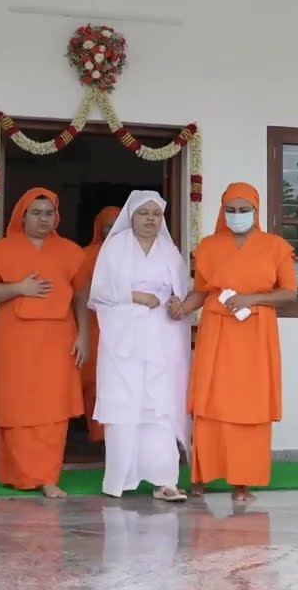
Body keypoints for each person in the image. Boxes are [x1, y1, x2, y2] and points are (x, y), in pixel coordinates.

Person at [169, 182, 297, 503]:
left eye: (244, 211)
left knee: (250, 404)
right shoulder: (209, 246)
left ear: (256, 211)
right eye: (232, 211)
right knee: (210, 402)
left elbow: (289, 292)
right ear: (223, 212)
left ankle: (243, 483)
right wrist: (182, 307)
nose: (238, 216)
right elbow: (201, 290)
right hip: (217, 331)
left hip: (257, 332)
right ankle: (200, 478)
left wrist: (250, 299)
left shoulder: (276, 247)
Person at [0, 187, 90, 498]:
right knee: (16, 405)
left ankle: (47, 477)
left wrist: (84, 335)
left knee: (52, 408)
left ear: (57, 217)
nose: (43, 218)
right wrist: (19, 288)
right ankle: (15, 473)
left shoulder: (71, 252)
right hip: (14, 339)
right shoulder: (0, 250)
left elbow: (81, 297)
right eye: (36, 213)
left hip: (58, 337)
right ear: (22, 216)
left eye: (49, 212)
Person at [88, 191, 192, 501]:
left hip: (161, 337)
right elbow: (99, 293)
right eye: (143, 213)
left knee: (160, 406)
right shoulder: (115, 248)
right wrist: (135, 297)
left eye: (156, 214)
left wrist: (176, 305)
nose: (150, 219)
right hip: (123, 340)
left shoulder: (170, 253)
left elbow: (181, 295)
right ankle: (119, 481)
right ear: (131, 216)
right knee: (124, 404)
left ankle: (165, 481)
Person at [79, 206, 122, 444]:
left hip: (125, 328)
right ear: (99, 228)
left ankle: (119, 437)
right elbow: (80, 294)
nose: (112, 230)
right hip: (94, 326)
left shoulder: (133, 253)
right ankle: (97, 435)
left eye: (117, 224)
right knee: (94, 380)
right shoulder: (85, 255)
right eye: (108, 225)